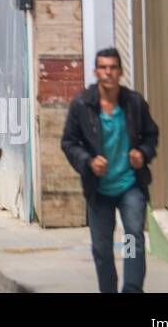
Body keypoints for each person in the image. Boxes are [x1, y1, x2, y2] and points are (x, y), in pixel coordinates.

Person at [61, 48, 159, 293]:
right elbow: (69, 142)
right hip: (99, 189)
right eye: (103, 68)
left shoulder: (133, 103)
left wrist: (142, 154)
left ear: (121, 72)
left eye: (113, 67)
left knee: (132, 239)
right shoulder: (82, 105)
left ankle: (132, 289)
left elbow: (151, 134)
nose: (108, 73)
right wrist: (88, 161)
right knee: (102, 248)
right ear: (96, 72)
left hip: (130, 185)